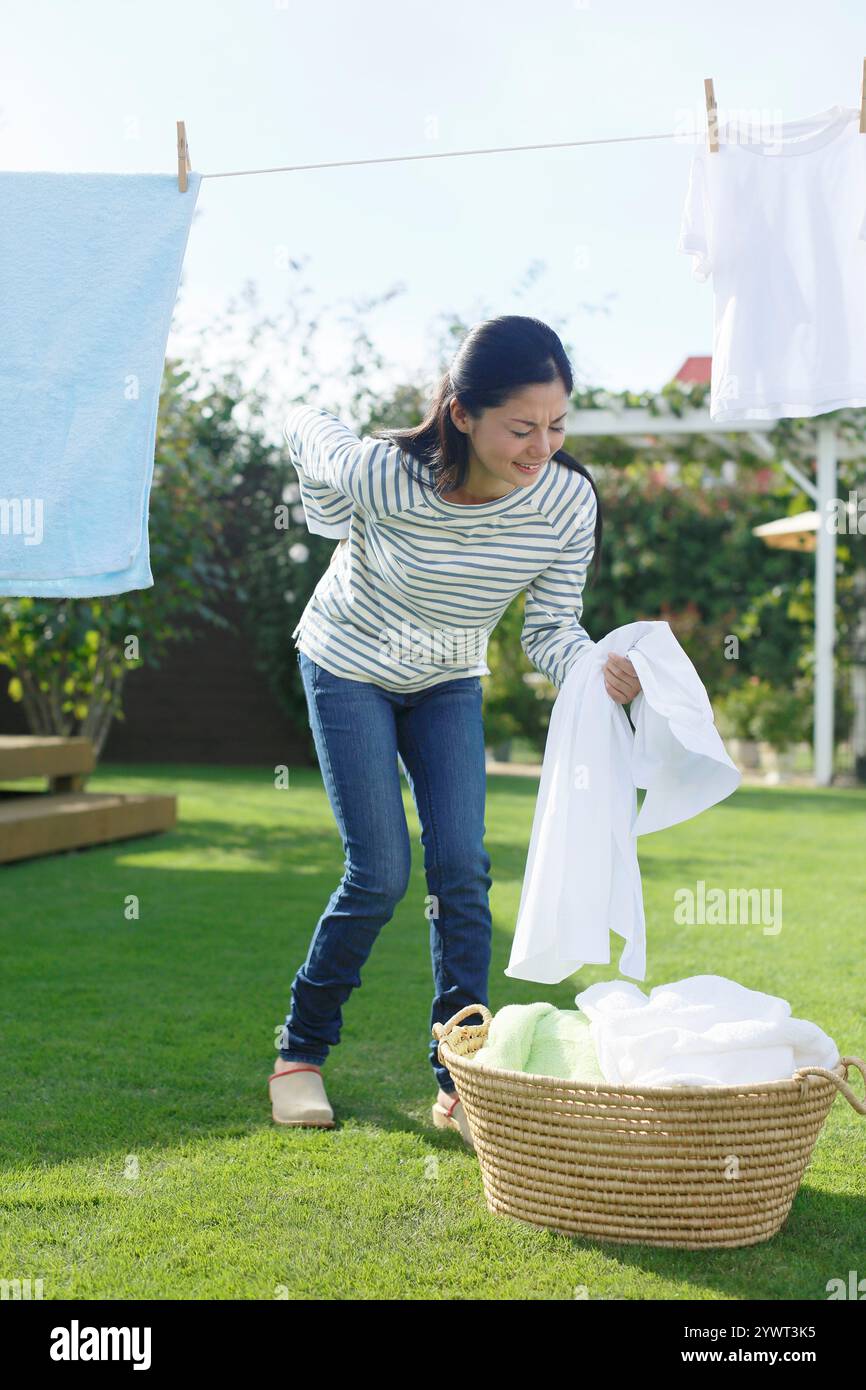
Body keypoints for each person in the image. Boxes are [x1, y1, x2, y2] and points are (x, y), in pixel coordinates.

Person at [269, 315, 641, 1144]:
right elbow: (306, 428)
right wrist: (328, 507)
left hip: (446, 678)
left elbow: (550, 626)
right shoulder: (384, 473)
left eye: (557, 425)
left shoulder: (565, 501)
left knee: (463, 872)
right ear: (462, 413)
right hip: (348, 666)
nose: (541, 445)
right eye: (521, 427)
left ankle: (459, 1077)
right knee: (379, 874)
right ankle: (299, 1054)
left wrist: (592, 668)